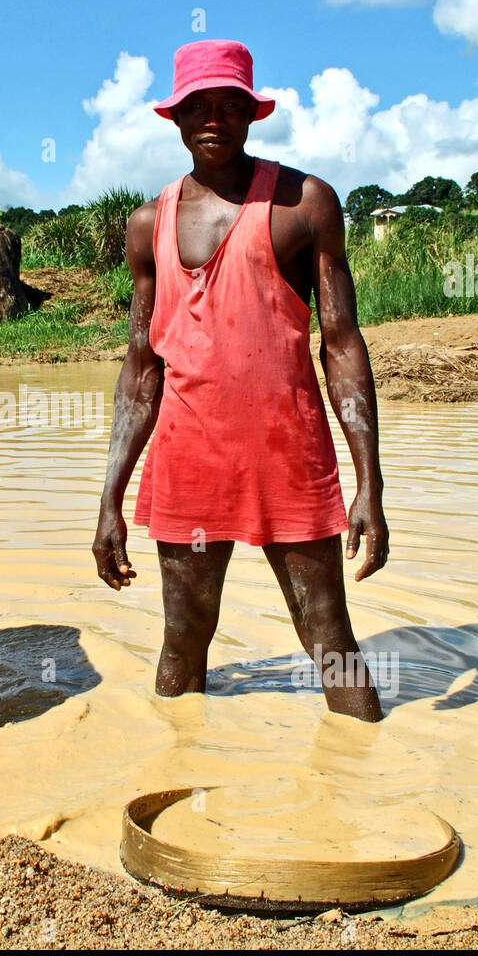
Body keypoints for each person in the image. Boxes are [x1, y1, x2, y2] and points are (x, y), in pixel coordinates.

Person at [92, 39, 387, 722]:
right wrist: (111, 495)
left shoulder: (304, 204)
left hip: (290, 457)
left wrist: (369, 480)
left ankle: (368, 785)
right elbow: (142, 371)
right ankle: (176, 777)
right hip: (189, 461)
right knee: (183, 639)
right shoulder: (147, 226)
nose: (215, 120)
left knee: (327, 637)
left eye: (231, 106)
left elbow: (340, 344)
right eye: (199, 106)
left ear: (253, 115)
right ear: (175, 118)